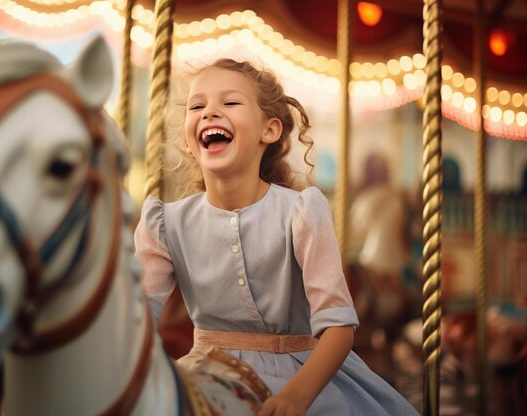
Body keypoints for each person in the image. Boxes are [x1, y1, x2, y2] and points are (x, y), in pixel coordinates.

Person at [134, 58, 419, 416]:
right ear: (190, 143)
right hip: (207, 374)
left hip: (302, 377)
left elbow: (339, 327)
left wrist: (296, 397)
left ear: (269, 130)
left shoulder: (300, 212)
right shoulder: (165, 223)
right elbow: (135, 315)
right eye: (197, 106)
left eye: (230, 102)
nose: (209, 113)